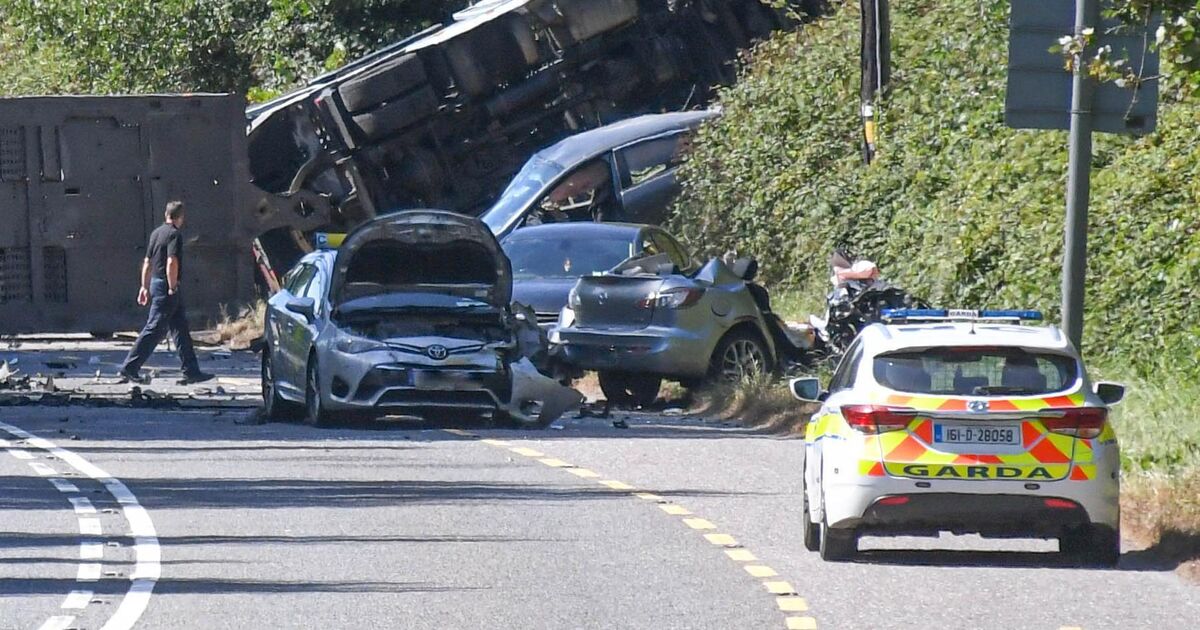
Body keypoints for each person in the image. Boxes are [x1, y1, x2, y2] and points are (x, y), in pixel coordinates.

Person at [119, 201, 214, 385]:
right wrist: (172, 286)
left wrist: (144, 287)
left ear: (166, 214)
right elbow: (172, 261)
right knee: (154, 328)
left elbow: (147, 262)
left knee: (180, 329)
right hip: (166, 286)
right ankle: (129, 368)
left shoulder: (156, 233)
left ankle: (191, 371)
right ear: (181, 217)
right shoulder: (174, 235)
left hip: (155, 283)